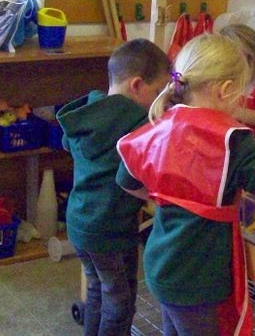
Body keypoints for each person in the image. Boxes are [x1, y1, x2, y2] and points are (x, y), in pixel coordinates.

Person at [116, 33, 255, 336]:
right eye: (240, 94)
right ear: (225, 90)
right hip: (198, 276)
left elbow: (126, 179)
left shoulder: (161, 124)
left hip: (160, 262)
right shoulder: (233, 140)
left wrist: (168, 197)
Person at [57, 39, 171, 336]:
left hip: (79, 222)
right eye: (158, 92)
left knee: (97, 292)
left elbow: (66, 142)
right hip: (110, 229)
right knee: (120, 305)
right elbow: (136, 171)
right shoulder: (136, 123)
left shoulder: (91, 108)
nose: (161, 101)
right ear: (136, 85)